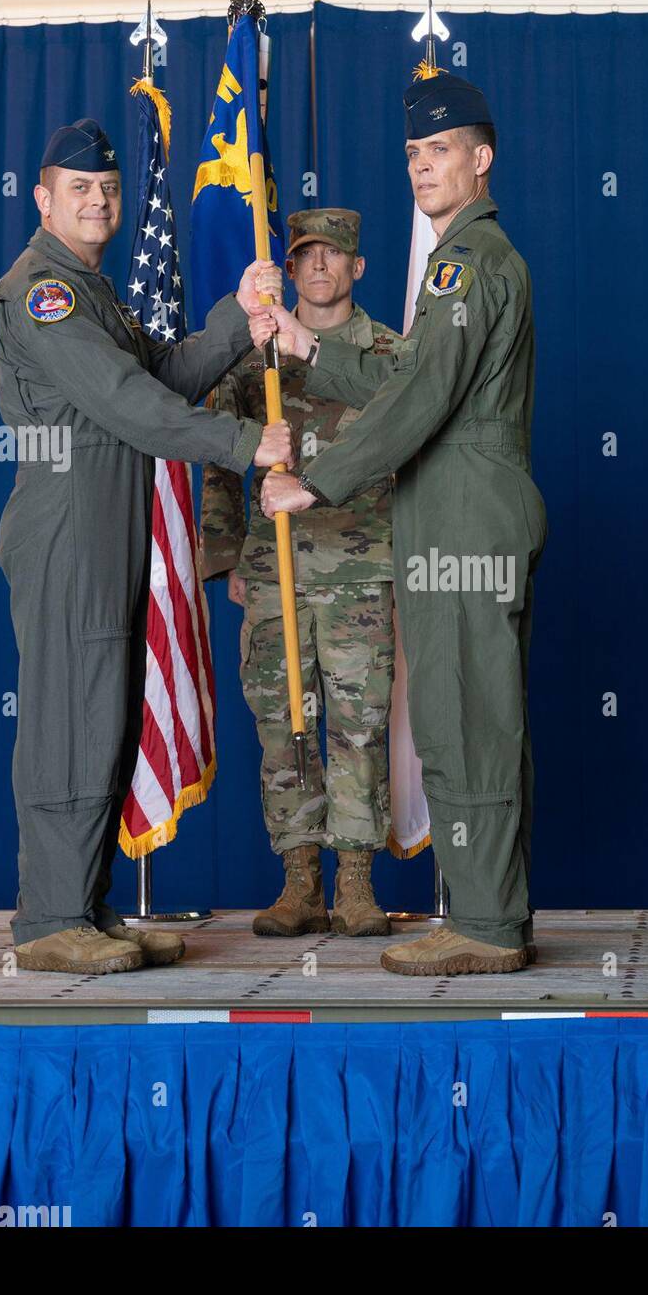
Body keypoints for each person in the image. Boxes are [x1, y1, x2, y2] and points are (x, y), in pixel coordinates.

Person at [243, 73, 546, 976]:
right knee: (458, 714)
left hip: (466, 513)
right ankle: (488, 913)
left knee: (468, 717)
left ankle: (487, 925)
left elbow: (419, 396)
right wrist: (310, 349)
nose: (421, 167)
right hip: (452, 510)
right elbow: (406, 378)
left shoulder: (468, 262)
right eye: (412, 154)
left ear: (480, 161)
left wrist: (317, 481)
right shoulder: (467, 259)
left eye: (439, 150)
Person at [0, 117, 293, 974]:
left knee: (108, 714)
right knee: (67, 720)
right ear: (44, 200)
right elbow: (125, 401)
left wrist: (241, 313)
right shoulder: (42, 291)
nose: (98, 202)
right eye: (79, 189)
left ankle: (84, 906)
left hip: (107, 519)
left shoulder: (95, 290)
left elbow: (163, 374)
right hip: (68, 525)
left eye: (109, 191)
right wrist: (241, 445)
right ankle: (49, 919)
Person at [200, 209, 403, 936]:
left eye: (335, 254)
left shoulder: (390, 353)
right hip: (274, 564)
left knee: (359, 726)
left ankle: (354, 882)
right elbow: (223, 456)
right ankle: (299, 882)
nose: (319, 267)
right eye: (306, 255)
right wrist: (226, 556)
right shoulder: (256, 356)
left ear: (358, 267)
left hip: (360, 568)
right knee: (283, 725)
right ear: (289, 268)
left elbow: (410, 451)